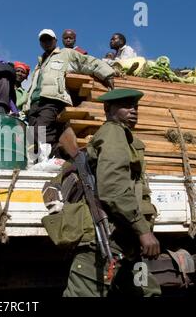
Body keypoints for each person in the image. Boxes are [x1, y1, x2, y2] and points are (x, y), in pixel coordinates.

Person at [62, 89, 161, 297]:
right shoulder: (113, 132)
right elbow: (113, 189)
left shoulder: (123, 136)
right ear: (108, 109)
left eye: (136, 106)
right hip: (107, 237)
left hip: (124, 239)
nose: (133, 110)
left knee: (144, 291)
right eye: (126, 105)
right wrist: (143, 230)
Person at [27, 28, 114, 159]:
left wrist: (107, 74)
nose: (46, 42)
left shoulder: (65, 54)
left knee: (42, 131)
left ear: (55, 41)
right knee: (32, 135)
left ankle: (45, 161)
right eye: (43, 40)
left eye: (49, 39)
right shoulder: (39, 63)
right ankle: (48, 161)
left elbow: (86, 62)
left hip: (51, 100)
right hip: (34, 104)